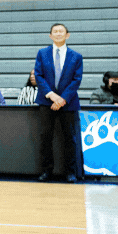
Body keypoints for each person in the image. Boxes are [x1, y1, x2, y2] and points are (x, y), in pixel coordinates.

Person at [34, 24, 83, 182]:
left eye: (61, 31)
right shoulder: (42, 53)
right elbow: (39, 76)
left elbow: (76, 80)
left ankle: (70, 172)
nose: (58, 33)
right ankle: (46, 171)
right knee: (45, 138)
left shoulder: (76, 56)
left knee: (70, 138)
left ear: (67, 35)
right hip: (46, 101)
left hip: (68, 103)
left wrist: (62, 99)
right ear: (50, 36)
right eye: (55, 31)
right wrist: (52, 96)